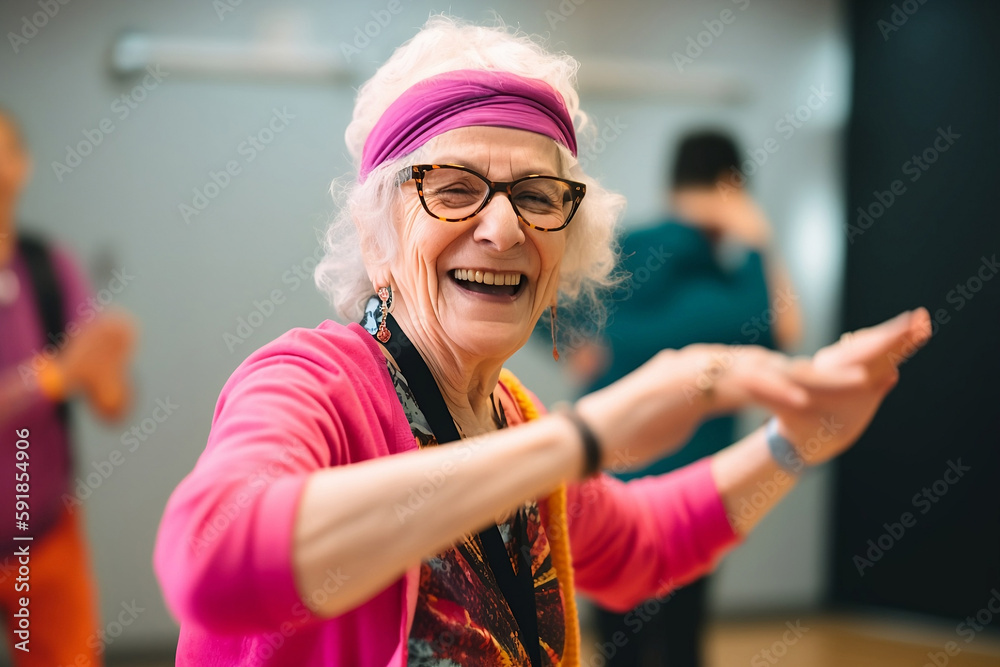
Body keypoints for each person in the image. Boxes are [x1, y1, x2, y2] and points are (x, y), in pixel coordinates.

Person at [153, 17, 931, 667]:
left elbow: (644, 543)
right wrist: (581, 437)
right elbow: (210, 558)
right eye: (453, 187)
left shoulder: (511, 413)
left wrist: (793, 442)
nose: (502, 228)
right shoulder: (311, 381)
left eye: (535, 195)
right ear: (376, 231)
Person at [578, 130, 803, 666]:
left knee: (619, 649)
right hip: (693, 496)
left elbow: (559, 319)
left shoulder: (621, 254)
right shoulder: (732, 282)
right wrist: (758, 238)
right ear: (733, 186)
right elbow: (788, 328)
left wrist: (587, 347)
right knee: (682, 645)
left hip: (608, 485)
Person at [0, 109, 136, 666]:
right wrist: (55, 373)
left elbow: (111, 403)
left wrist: (104, 366)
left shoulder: (50, 269)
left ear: (23, 164)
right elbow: (60, 372)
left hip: (47, 533)